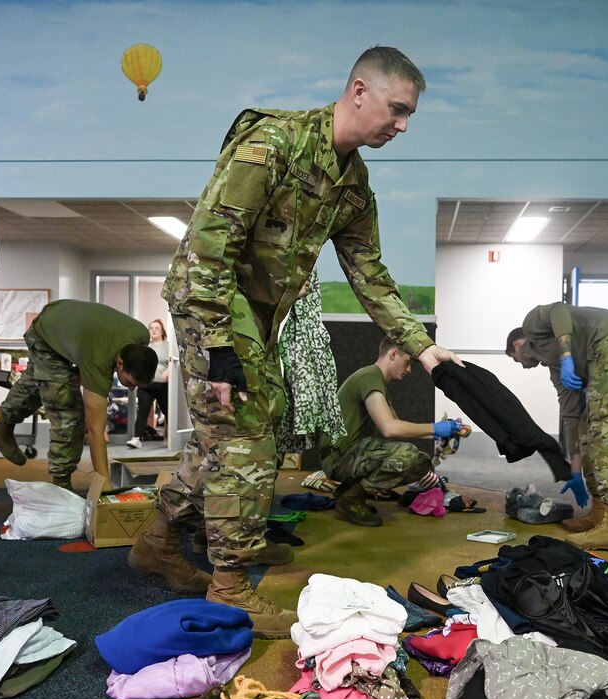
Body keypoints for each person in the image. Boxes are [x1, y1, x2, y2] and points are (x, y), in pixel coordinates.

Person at [129, 45, 460, 639]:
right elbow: (208, 243)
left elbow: (369, 273)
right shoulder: (274, 143)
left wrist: (423, 346)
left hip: (258, 314)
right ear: (359, 90)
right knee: (245, 439)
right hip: (211, 299)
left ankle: (157, 543)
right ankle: (229, 589)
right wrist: (218, 346)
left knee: (235, 436)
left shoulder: (352, 183)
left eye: (410, 115)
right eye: (397, 109)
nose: (403, 126)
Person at [506, 302, 608, 551]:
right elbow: (571, 417)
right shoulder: (555, 370)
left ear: (518, 345)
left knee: (605, 428)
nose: (520, 365)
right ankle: (599, 513)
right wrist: (575, 470)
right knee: (587, 429)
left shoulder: (532, 324)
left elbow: (559, 310)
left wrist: (566, 358)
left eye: (515, 358)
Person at [0, 300, 158, 489]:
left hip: (61, 317)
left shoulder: (141, 336)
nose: (131, 389)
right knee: (68, 412)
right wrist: (104, 482)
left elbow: (90, 346)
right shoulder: (99, 361)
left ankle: (1, 428)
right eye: (130, 383)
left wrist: (81, 370)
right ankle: (62, 485)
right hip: (46, 335)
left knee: (41, 384)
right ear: (120, 363)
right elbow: (95, 431)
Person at [320, 339, 459, 527]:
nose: (409, 370)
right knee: (407, 454)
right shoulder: (369, 378)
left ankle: (350, 491)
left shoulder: (374, 381)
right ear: (393, 354)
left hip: (351, 454)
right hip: (339, 459)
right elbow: (390, 428)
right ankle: (351, 498)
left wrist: (441, 433)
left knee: (420, 462)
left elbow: (397, 428)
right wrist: (435, 429)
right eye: (408, 362)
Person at [127, 318, 169, 447]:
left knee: (168, 411)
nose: (154, 330)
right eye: (151, 328)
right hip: (146, 385)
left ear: (162, 331)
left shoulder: (168, 346)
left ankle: (173, 439)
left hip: (162, 385)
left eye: (157, 328)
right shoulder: (145, 347)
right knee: (143, 412)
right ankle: (137, 438)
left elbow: (175, 362)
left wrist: (169, 371)